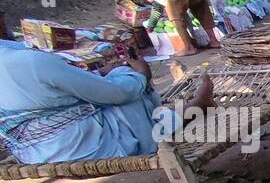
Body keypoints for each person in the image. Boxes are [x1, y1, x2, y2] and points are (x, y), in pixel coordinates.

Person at [0, 39, 215, 164]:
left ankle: (191, 106)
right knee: (128, 86)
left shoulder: (22, 60)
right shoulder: (29, 61)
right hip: (85, 148)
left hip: (31, 154)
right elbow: (117, 94)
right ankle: (196, 106)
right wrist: (140, 75)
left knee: (113, 84)